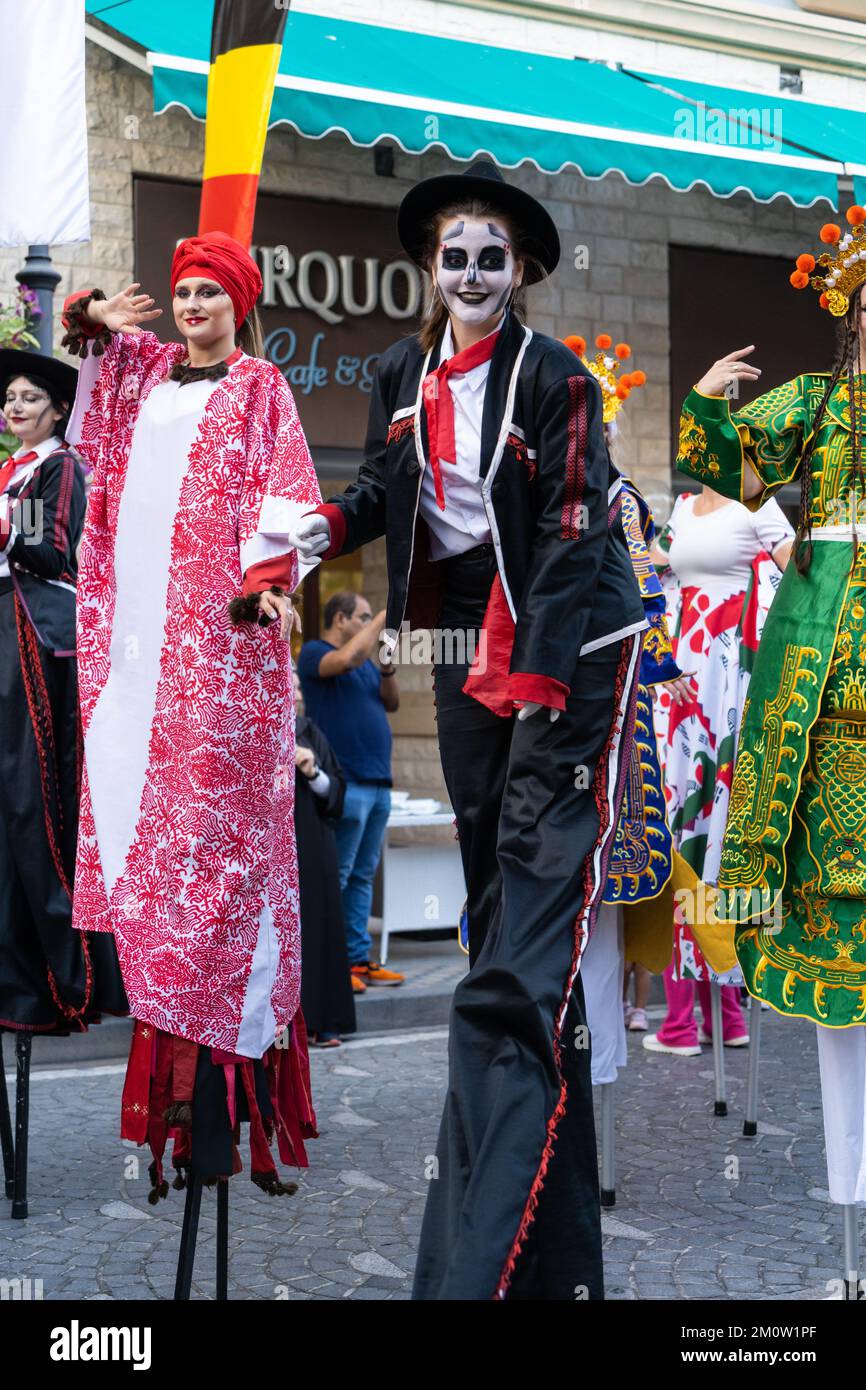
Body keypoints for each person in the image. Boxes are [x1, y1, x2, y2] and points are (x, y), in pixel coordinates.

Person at [290, 159, 646, 1301]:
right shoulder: (401, 368)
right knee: (493, 880)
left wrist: (542, 677)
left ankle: (511, 1179)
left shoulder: (555, 379)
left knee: (529, 905)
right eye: (456, 254)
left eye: (493, 255)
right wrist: (314, 530)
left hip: (555, 646)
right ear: (431, 269)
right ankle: (523, 1198)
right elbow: (384, 496)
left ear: (521, 271)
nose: (474, 270)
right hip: (453, 649)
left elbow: (574, 525)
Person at [60, 229, 320, 1199]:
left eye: (212, 291)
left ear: (241, 303)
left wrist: (262, 583)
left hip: (218, 663)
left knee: (221, 870)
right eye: (184, 291)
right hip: (139, 670)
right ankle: (171, 1113)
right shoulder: (149, 376)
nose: (194, 305)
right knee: (150, 864)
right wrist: (91, 312)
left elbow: (290, 498)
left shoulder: (259, 388)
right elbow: (80, 342)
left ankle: (236, 1109)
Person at [676, 203, 866, 1213]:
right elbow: (716, 479)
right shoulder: (818, 402)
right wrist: (704, 405)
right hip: (813, 677)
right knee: (843, 1010)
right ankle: (848, 1198)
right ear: (851, 314)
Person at [0, 348, 128, 1212]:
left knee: (29, 793)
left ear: (56, 410)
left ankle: (62, 963)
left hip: (34, 640)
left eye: (29, 397)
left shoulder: (64, 470)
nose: (15, 407)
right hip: (4, 629)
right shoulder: (13, 471)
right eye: (8, 398)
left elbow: (49, 552)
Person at [560, 333, 690, 1088]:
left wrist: (665, 663)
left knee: (606, 882)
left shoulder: (620, 499)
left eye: (597, 422)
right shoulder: (537, 490)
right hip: (547, 692)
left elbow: (646, 595)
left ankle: (599, 1059)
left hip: (613, 696)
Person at [642, 478, 793, 1057]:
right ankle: (687, 1016)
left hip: (728, 676)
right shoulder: (680, 509)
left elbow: (799, 581)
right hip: (679, 676)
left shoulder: (756, 507)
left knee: (720, 828)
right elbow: (645, 570)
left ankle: (723, 1008)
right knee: (680, 826)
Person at [297, 591, 404, 990]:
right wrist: (385, 615)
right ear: (340, 619)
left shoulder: (366, 666)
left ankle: (357, 959)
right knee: (337, 874)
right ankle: (330, 962)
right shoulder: (314, 653)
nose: (367, 624)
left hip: (378, 782)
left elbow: (391, 704)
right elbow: (346, 660)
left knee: (363, 875)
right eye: (361, 618)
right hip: (348, 782)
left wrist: (389, 670)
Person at [292, 668, 357, 1046]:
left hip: (313, 846)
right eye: (292, 685)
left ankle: (322, 1020)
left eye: (300, 686)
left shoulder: (310, 731)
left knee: (319, 928)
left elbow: (336, 791)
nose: (298, 693)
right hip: (274, 853)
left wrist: (312, 772)